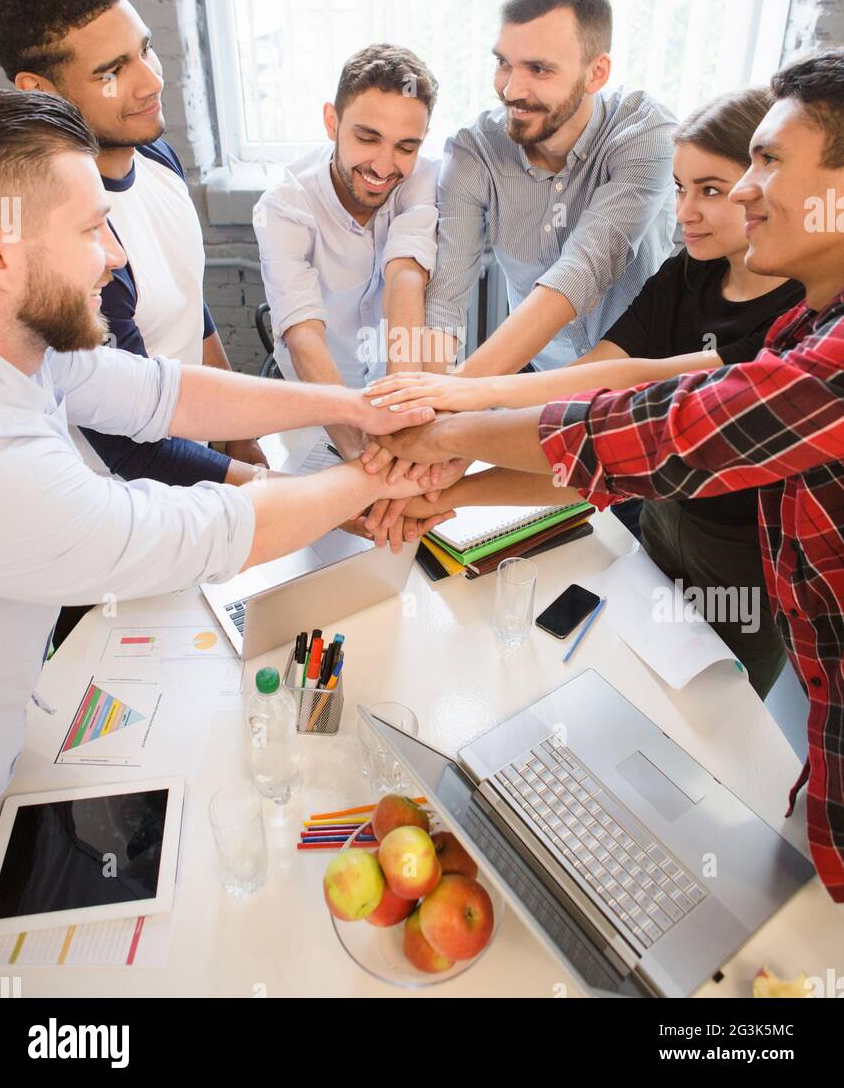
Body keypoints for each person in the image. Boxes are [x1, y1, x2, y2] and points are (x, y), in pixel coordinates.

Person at [357, 51, 844, 903]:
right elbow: (621, 419)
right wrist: (453, 478)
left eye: (768, 163)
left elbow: (657, 435)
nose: (737, 195)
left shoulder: (824, 362)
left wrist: (447, 430)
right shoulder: (802, 323)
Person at [0, 90, 443, 818]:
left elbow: (167, 394)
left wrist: (352, 407)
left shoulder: (20, 345)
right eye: (94, 229)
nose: (117, 256)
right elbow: (207, 529)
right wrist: (378, 473)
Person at [363, 89, 805, 698]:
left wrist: (464, 403)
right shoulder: (691, 270)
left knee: (718, 724)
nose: (684, 213)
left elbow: (628, 402)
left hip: (742, 568)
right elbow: (598, 398)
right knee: (635, 693)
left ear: (761, 185)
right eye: (679, 188)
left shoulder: (793, 326)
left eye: (710, 189)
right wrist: (451, 483)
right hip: (657, 526)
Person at [0, 0, 266, 488]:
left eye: (145, 50)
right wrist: (280, 495)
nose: (150, 82)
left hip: (204, 456)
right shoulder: (70, 243)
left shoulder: (155, 154)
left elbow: (185, 299)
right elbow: (136, 449)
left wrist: (240, 430)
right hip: (136, 494)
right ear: (38, 89)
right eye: (112, 71)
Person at [421, 0, 677, 376]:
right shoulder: (474, 149)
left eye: (539, 70)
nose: (510, 90)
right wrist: (427, 404)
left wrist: (454, 396)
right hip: (537, 372)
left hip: (637, 381)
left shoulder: (645, 132)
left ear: (596, 73)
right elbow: (445, 297)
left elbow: (584, 268)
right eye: (504, 63)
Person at [253, 44, 439, 462]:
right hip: (317, 403)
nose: (383, 165)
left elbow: (405, 278)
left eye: (405, 147)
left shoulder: (423, 179)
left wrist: (400, 415)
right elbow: (302, 336)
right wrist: (360, 452)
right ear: (331, 121)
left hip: (399, 381)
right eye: (367, 138)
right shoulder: (284, 206)